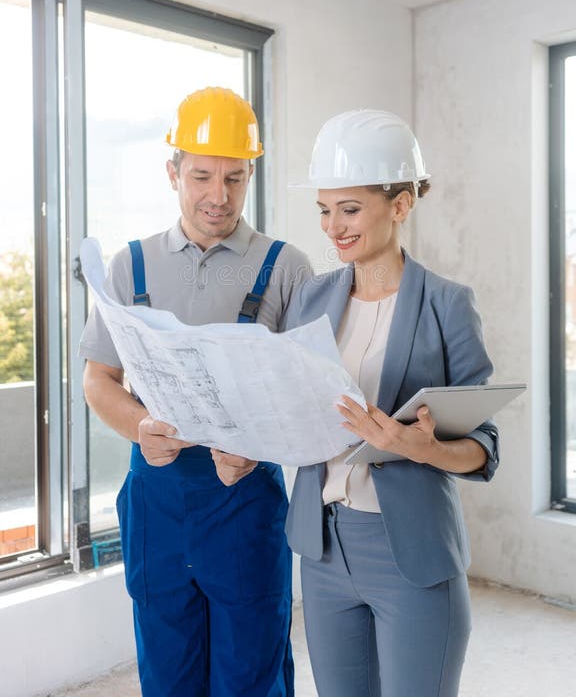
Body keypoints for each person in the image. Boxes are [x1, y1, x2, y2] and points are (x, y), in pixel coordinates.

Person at [80, 87, 311, 697]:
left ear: (251, 174)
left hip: (244, 499)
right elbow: (98, 380)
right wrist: (139, 428)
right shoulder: (129, 266)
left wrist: (257, 446)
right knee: (167, 671)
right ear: (173, 172)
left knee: (251, 673)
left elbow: (306, 394)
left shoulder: (286, 267)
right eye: (202, 176)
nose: (218, 196)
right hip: (156, 498)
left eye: (235, 178)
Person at [284, 109, 500, 697]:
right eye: (324, 210)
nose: (333, 227)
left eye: (350, 209)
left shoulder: (447, 304)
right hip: (324, 548)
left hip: (410, 552)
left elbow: (484, 445)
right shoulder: (311, 300)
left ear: (400, 204)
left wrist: (421, 448)